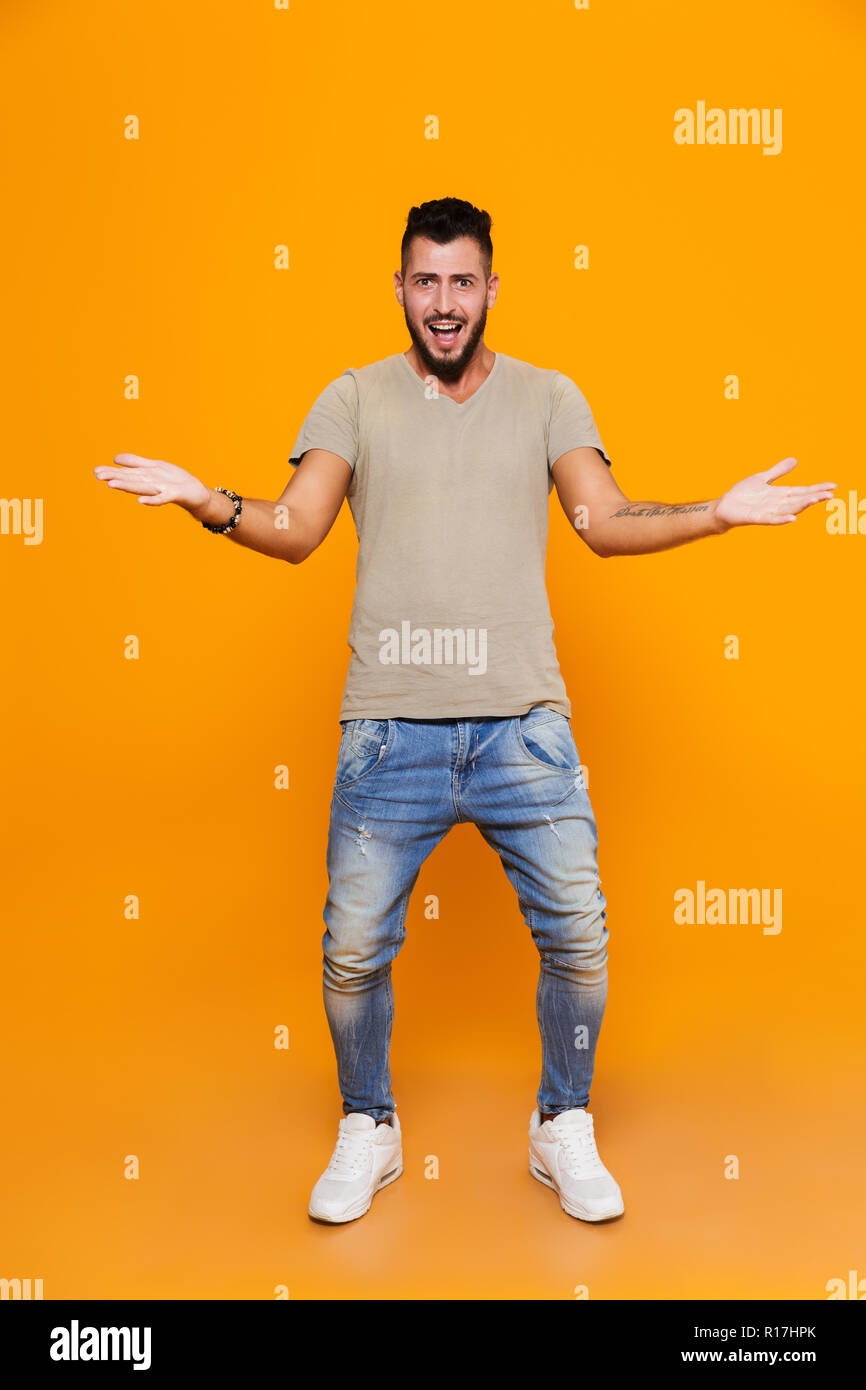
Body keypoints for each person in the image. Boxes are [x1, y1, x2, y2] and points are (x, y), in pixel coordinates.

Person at [94, 196, 836, 1227]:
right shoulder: (353, 398)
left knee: (578, 934)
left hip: (522, 726)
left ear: (490, 288)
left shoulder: (546, 398)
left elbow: (602, 523)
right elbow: (298, 525)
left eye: (461, 281)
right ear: (399, 289)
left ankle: (559, 1122)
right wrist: (204, 499)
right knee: (352, 946)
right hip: (387, 729)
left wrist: (717, 510)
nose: (443, 303)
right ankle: (370, 1123)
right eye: (424, 281)